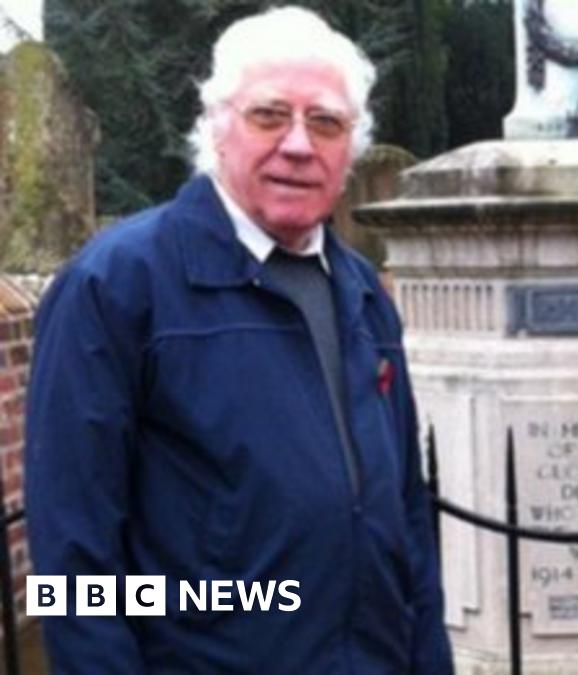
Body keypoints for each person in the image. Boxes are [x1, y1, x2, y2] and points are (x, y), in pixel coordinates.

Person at [25, 7, 453, 673]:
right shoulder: (117, 286)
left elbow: (407, 526)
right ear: (217, 127)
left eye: (326, 122)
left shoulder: (364, 293)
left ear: (350, 148)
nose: (299, 145)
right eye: (269, 115)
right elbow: (75, 567)